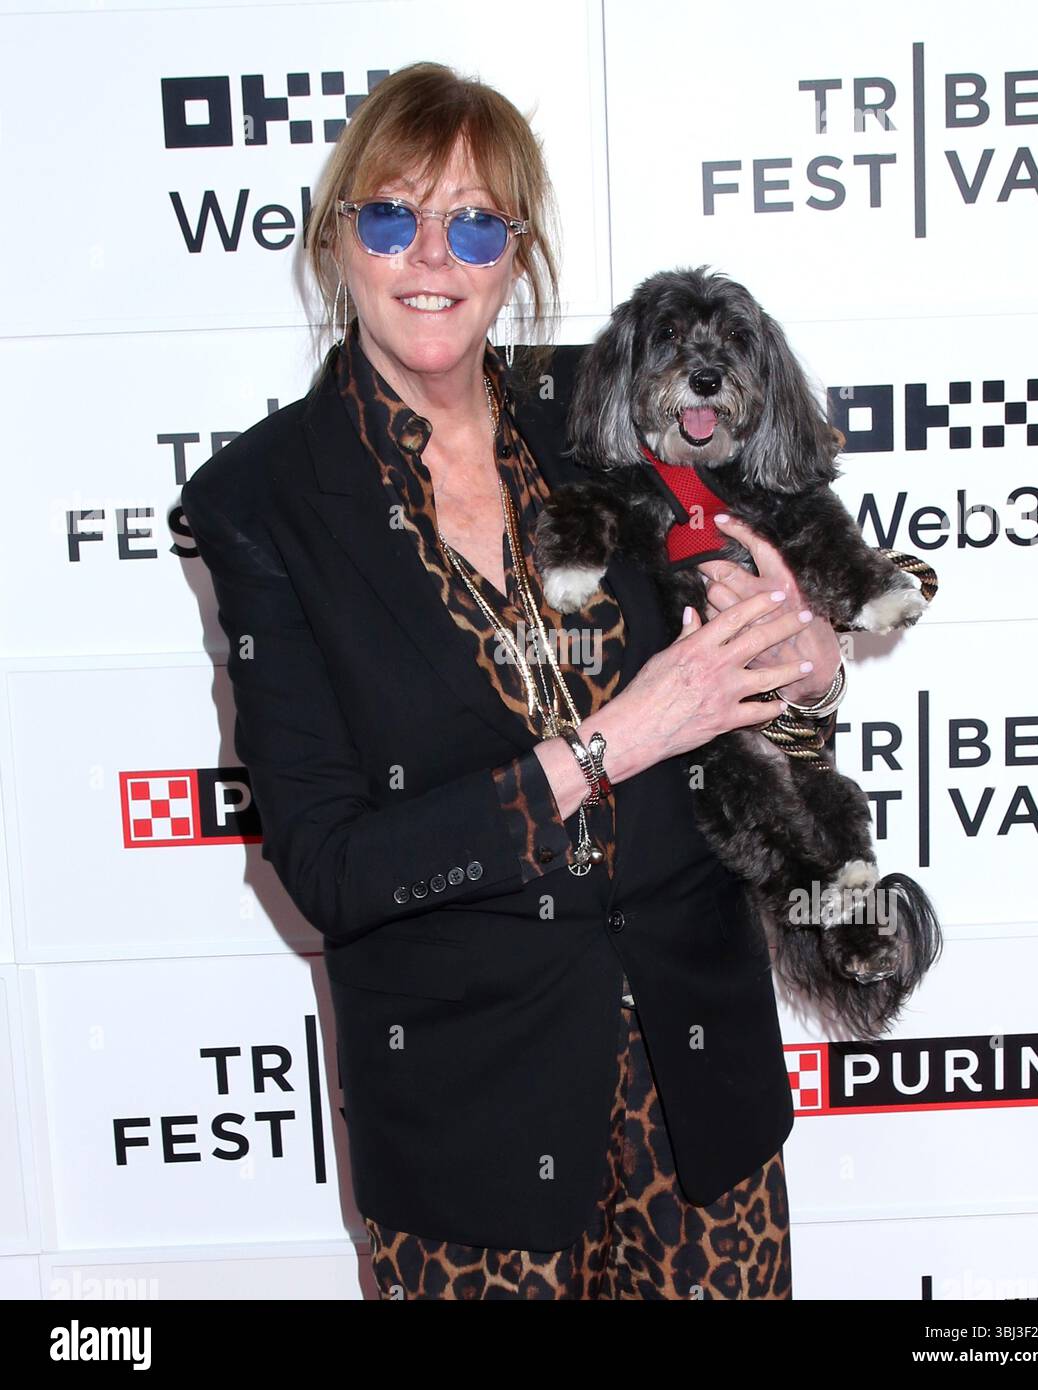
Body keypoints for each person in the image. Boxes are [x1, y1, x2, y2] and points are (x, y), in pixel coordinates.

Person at [180, 61, 843, 1300]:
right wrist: (610, 743)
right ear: (338, 240)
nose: (432, 254)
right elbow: (327, 870)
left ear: (516, 250)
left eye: (474, 221)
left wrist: (802, 657)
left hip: (699, 1103)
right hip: (471, 1132)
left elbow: (759, 644)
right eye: (393, 215)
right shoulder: (261, 501)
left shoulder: (606, 408)